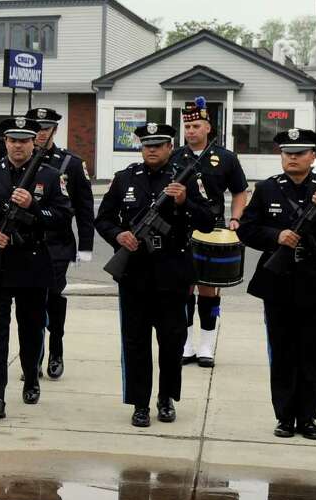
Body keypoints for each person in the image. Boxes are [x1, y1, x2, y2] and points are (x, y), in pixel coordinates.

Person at [236, 128, 316, 441]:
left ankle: (308, 419)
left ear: (312, 156)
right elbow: (246, 230)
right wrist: (276, 236)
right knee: (283, 352)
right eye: (287, 152)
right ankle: (284, 417)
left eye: (299, 152)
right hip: (278, 281)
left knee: (313, 353)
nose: (292, 157)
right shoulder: (267, 189)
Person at [95, 122, 215, 428]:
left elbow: (208, 222)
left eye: (159, 144)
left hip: (173, 271)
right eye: (147, 144)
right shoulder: (125, 178)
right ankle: (139, 403)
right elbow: (104, 219)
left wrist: (184, 201)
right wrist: (119, 236)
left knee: (172, 340)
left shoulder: (186, 178)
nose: (152, 149)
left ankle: (166, 398)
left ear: (170, 147)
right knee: (135, 341)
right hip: (134, 271)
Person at [0, 113, 73, 418]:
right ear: (4, 142)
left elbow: (62, 218)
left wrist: (32, 206)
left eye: (24, 140)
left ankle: (31, 377)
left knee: (31, 329)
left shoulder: (48, 176)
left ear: (34, 142)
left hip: (33, 262)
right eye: (12, 140)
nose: (18, 146)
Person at [173, 97, 248, 368]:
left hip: (212, 229)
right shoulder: (174, 156)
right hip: (180, 229)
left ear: (208, 128)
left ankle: (207, 344)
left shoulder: (225, 158)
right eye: (187, 126)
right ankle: (186, 344)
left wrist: (236, 218)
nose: (191, 131)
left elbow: (240, 191)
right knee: (183, 289)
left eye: (196, 126)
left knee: (209, 291)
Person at [29, 107, 95, 381]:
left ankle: (56, 349)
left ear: (54, 130)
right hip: (27, 244)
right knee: (31, 304)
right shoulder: (20, 160)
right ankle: (33, 358)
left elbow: (84, 208)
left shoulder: (70, 163)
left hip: (57, 245)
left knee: (53, 300)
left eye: (45, 129)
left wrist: (86, 247)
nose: (40, 134)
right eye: (37, 129)